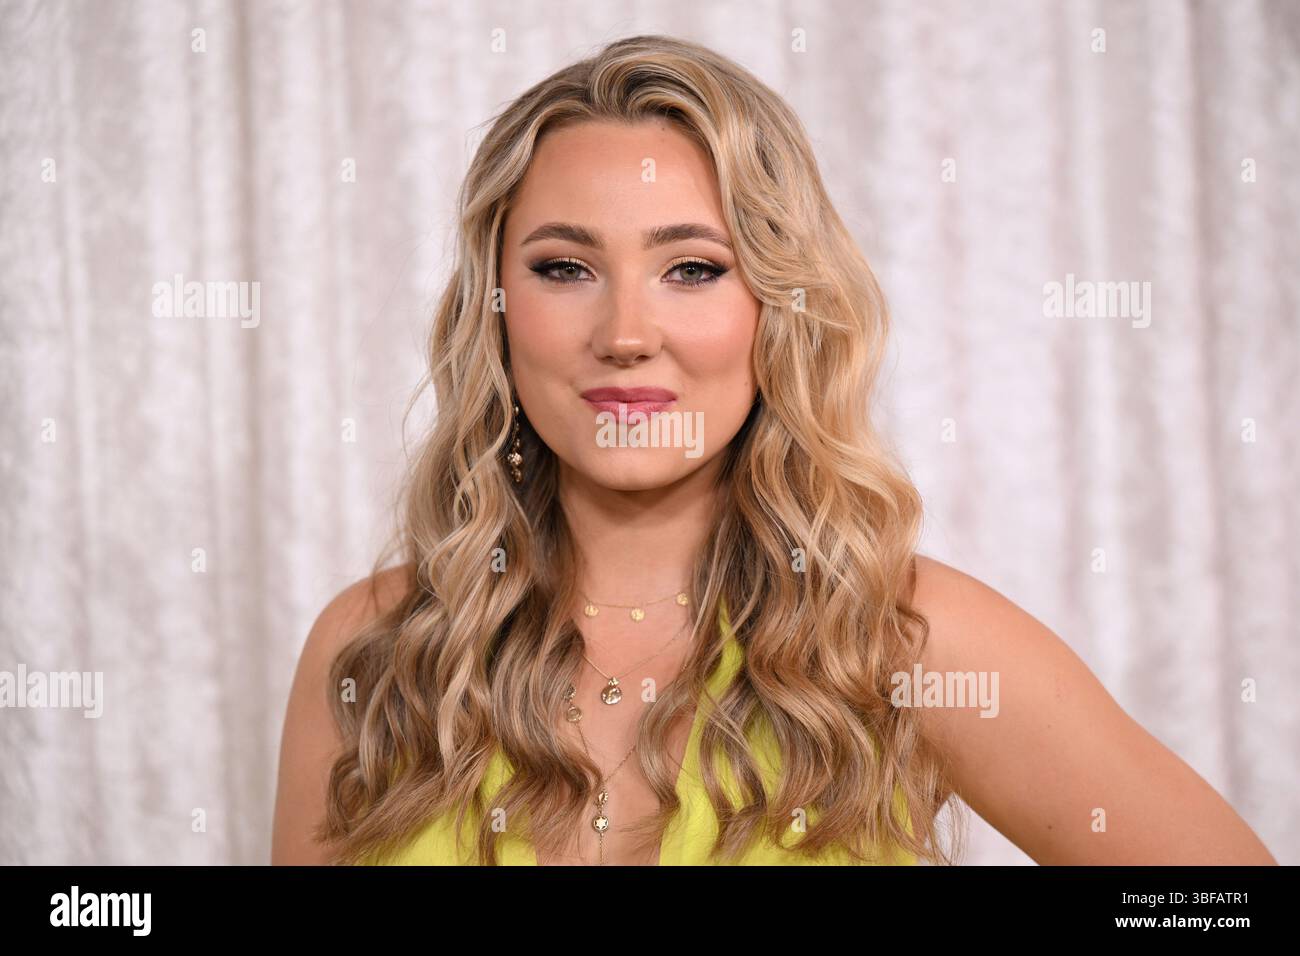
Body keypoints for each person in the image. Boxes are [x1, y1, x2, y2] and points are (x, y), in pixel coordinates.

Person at [272, 34, 1277, 866]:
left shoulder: (905, 642)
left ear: (779, 307)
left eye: (693, 268)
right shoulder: (377, 654)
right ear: (495, 311)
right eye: (566, 266)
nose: (625, 332)